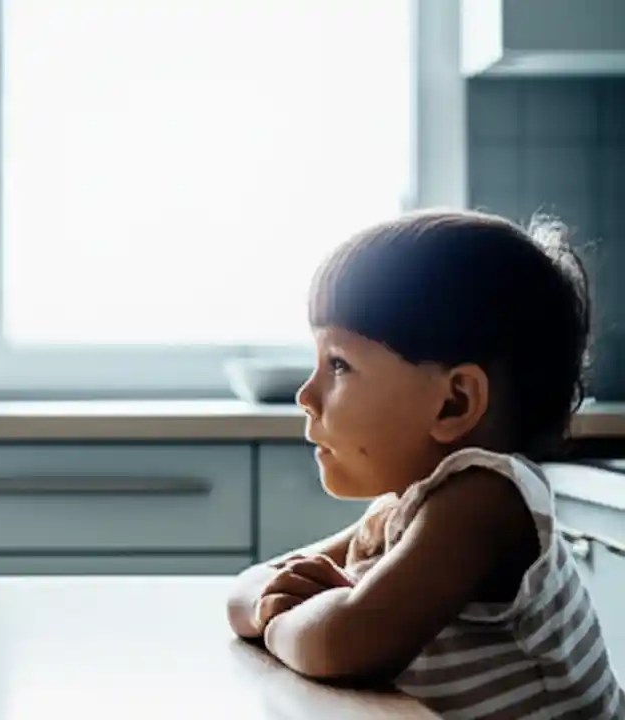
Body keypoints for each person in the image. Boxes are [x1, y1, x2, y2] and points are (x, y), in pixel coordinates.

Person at [226, 210, 624, 719]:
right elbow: (252, 585)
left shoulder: (487, 499)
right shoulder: (406, 506)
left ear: (454, 403)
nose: (306, 394)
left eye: (339, 364)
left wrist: (280, 619)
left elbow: (349, 644)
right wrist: (278, 602)